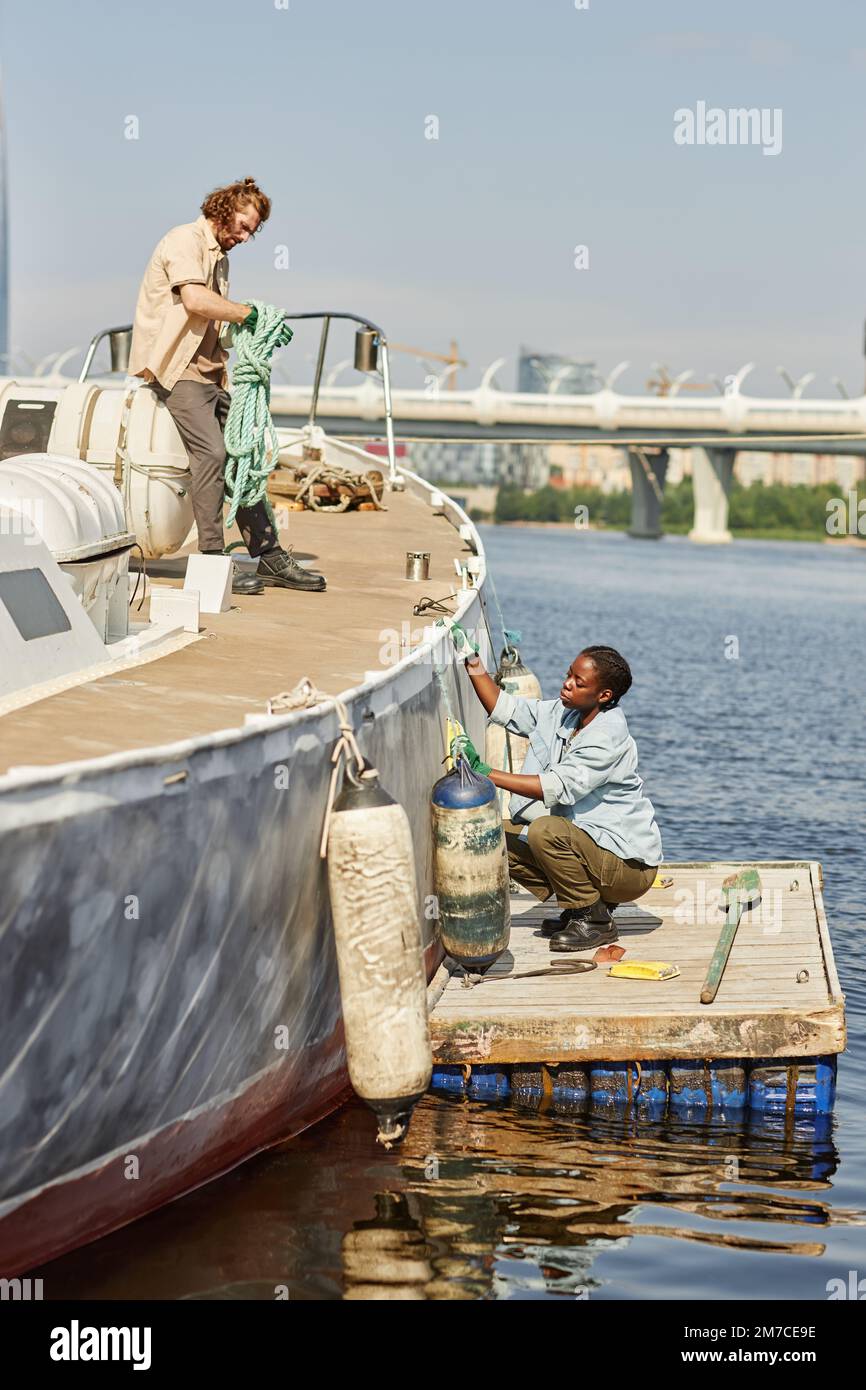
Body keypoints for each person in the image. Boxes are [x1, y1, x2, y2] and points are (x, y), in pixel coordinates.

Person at [128, 176, 325, 594]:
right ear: (223, 210)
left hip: (208, 371)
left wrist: (254, 330)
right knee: (212, 453)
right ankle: (214, 560)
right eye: (243, 225)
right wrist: (247, 314)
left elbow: (212, 320)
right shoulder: (184, 240)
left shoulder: (221, 257)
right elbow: (196, 301)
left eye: (252, 231)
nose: (246, 236)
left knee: (242, 459)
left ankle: (268, 555)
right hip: (176, 370)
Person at [449, 629, 662, 952]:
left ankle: (594, 919)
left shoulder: (606, 736)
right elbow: (506, 709)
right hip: (593, 849)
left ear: (604, 695)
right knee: (493, 835)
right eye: (568, 675)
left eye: (579, 681)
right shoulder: (564, 713)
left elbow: (556, 788)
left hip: (629, 868)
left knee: (546, 830)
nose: (567, 684)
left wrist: (486, 773)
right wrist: (472, 660)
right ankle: (585, 906)